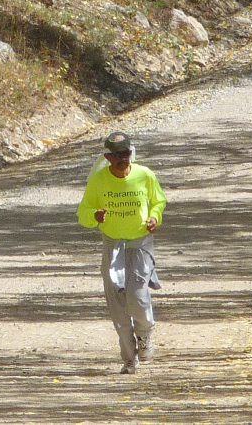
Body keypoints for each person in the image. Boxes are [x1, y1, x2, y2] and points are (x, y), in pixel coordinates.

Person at [77, 131, 167, 374]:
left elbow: (159, 201)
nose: (122, 159)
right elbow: (83, 213)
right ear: (107, 157)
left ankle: (145, 335)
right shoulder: (98, 181)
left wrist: (154, 217)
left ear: (131, 154)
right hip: (112, 245)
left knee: (138, 297)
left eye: (125, 154)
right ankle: (128, 359)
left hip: (139, 243)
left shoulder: (144, 175)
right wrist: (94, 216)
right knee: (117, 306)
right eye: (116, 155)